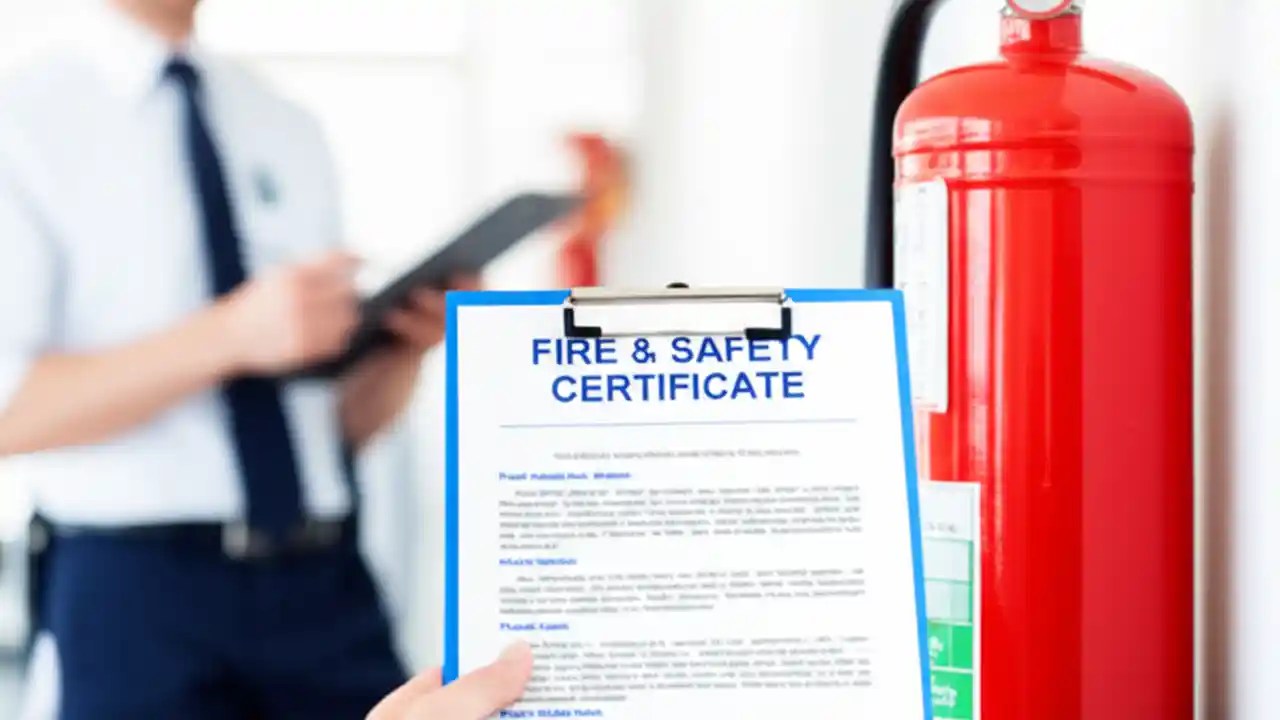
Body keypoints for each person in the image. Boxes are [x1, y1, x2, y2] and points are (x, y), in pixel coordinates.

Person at [0, 0, 476, 716]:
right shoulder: (25, 120)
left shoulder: (282, 123)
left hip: (324, 580)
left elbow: (332, 432)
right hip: (136, 596)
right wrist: (229, 337)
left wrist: (405, 351)